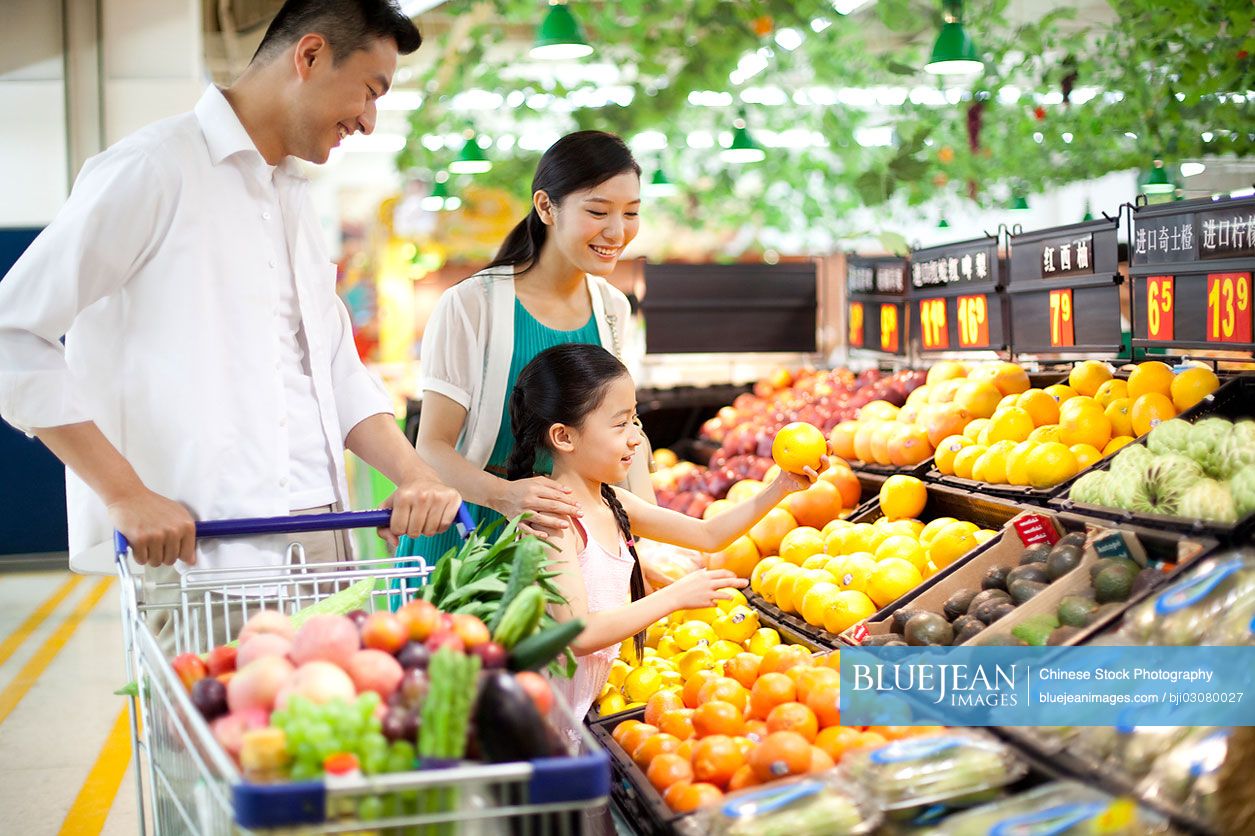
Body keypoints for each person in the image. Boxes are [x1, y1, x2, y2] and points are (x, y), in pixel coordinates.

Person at [0, 0, 460, 584]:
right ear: (311, 55)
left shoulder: (292, 196)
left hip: (322, 535)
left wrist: (415, 474)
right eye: (369, 90)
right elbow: (11, 332)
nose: (369, 120)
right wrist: (124, 494)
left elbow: (337, 369)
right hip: (205, 545)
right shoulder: (154, 168)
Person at [507, 343, 820, 724]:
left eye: (635, 421)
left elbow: (708, 535)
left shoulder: (612, 501)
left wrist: (782, 486)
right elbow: (579, 634)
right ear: (564, 437)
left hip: (586, 706)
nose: (636, 438)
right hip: (551, 716)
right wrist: (674, 597)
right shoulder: (553, 521)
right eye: (619, 424)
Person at [399, 130, 651, 571]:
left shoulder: (613, 310)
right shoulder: (470, 306)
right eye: (597, 211)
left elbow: (625, 437)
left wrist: (644, 544)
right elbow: (432, 448)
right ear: (546, 206)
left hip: (565, 555)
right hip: (466, 543)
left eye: (631, 213)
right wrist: (506, 497)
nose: (617, 231)